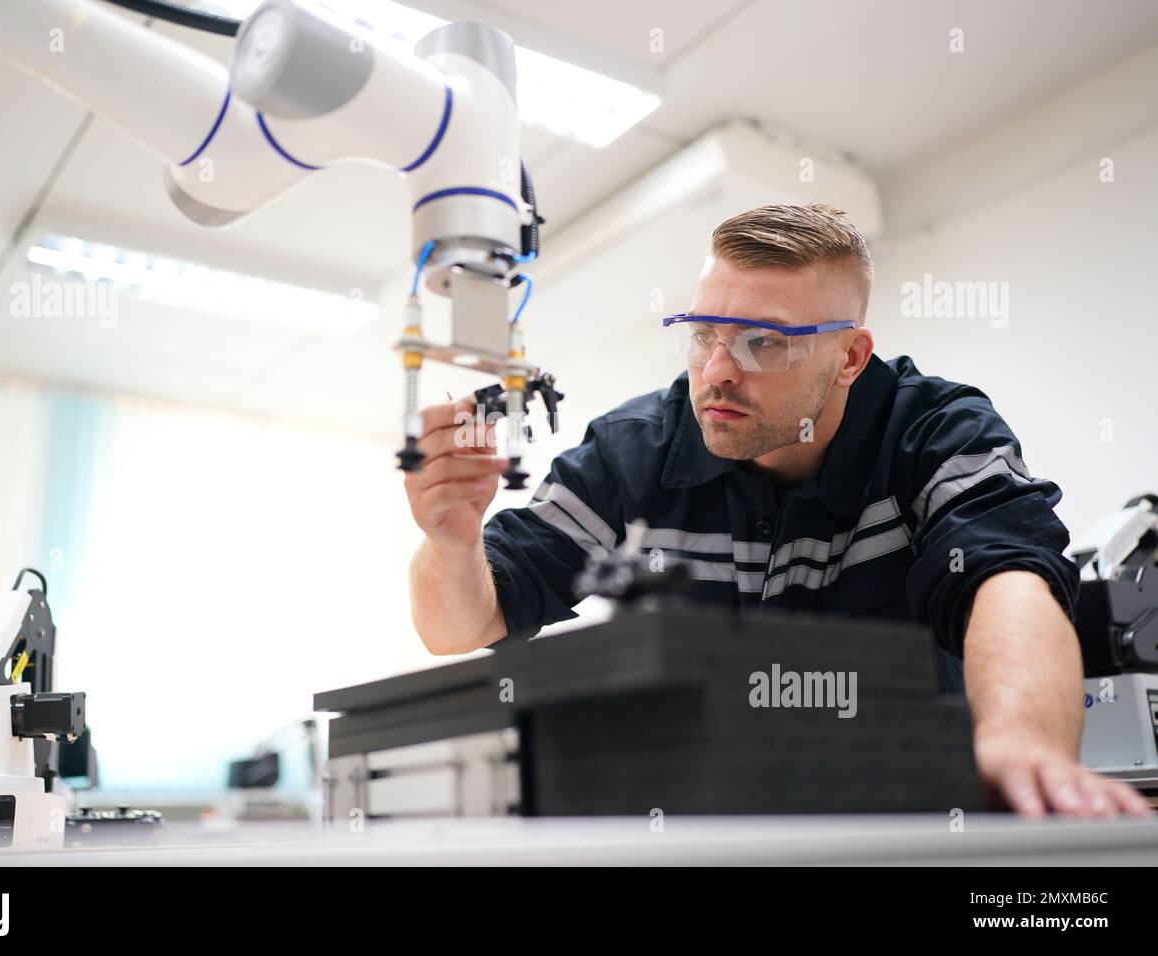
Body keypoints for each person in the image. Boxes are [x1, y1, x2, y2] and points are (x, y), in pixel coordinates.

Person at [404, 202, 1149, 819]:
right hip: (706, 818)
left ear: (850, 358)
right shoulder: (633, 449)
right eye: (704, 336)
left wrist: (1022, 743)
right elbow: (465, 624)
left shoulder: (932, 431)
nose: (719, 371)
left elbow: (1007, 579)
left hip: (907, 819)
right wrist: (451, 542)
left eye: (764, 343)